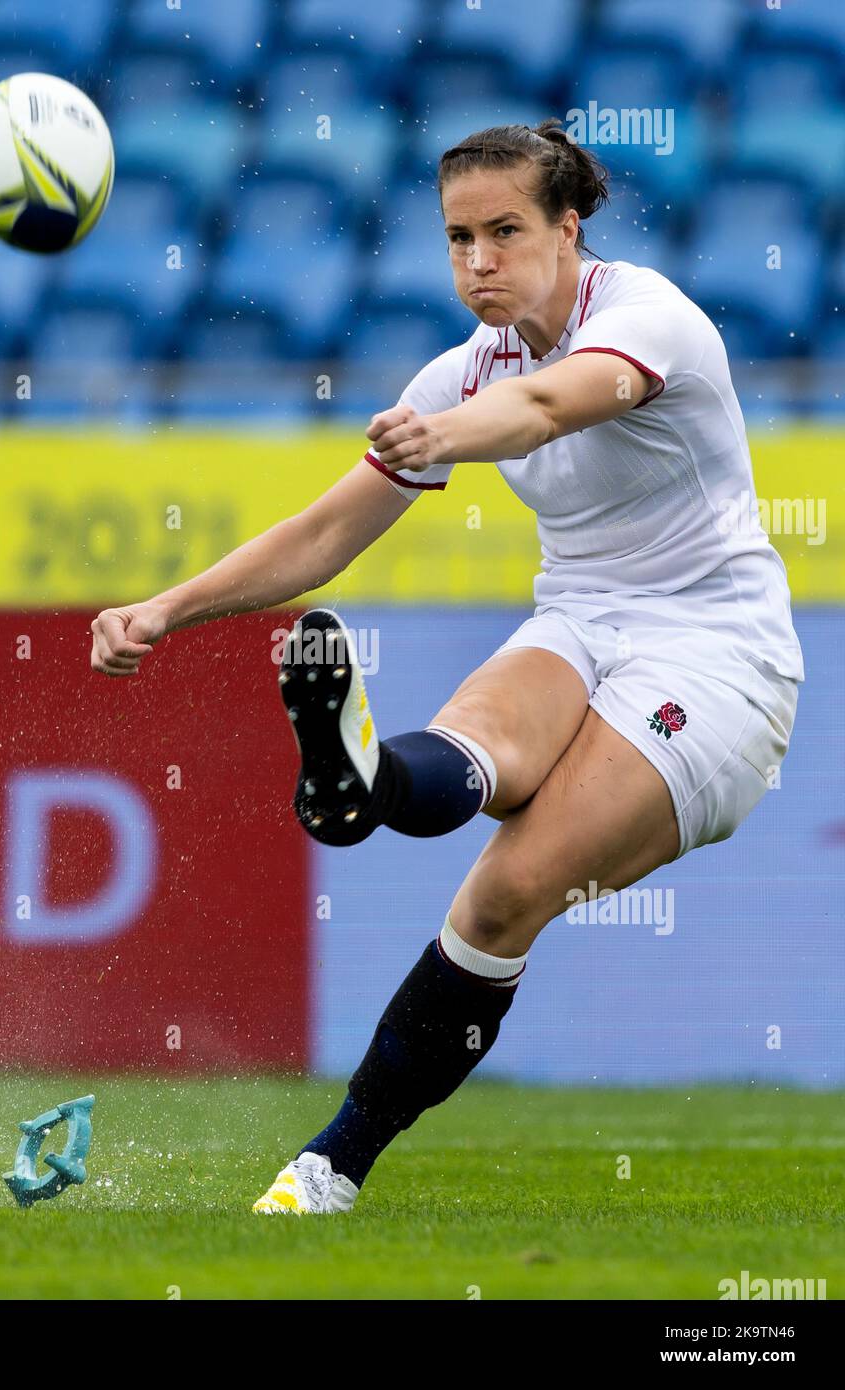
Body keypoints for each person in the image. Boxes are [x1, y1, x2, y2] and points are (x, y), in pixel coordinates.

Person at [90, 121, 803, 1215]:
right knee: (477, 748)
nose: (478, 263)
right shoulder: (461, 373)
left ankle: (331, 1163)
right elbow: (324, 534)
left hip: (720, 660)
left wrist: (446, 436)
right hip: (578, 619)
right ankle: (359, 783)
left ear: (569, 229)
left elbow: (549, 405)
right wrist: (166, 609)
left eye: (504, 232)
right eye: (458, 238)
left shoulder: (645, 318)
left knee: (505, 889)